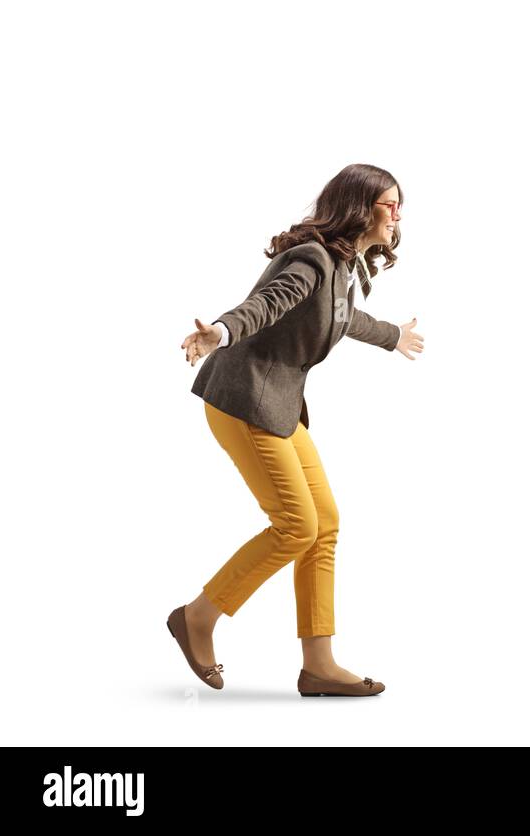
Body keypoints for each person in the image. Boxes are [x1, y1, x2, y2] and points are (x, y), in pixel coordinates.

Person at [168, 163, 424, 697]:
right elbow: (268, 304)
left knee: (323, 522)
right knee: (295, 526)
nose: (397, 214)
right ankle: (197, 617)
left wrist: (392, 335)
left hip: (279, 404)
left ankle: (319, 664)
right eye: (388, 204)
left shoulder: (340, 265)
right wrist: (220, 330)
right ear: (359, 206)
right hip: (245, 401)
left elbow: (343, 317)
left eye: (400, 204)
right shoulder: (311, 259)